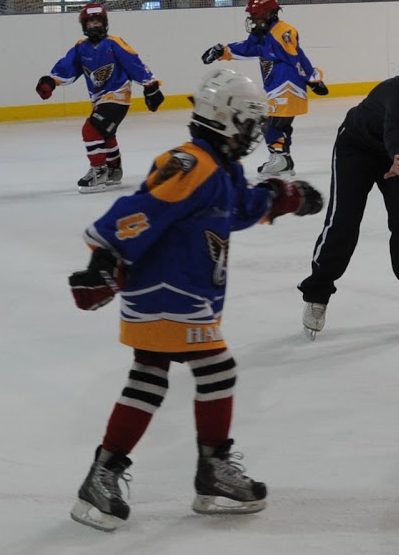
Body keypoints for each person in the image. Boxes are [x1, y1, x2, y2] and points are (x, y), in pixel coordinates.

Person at [66, 66, 324, 532]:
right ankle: (208, 472)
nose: (253, 132)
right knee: (212, 371)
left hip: (184, 291)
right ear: (226, 118)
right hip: (167, 290)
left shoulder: (219, 167)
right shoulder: (191, 163)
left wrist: (284, 196)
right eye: (248, 121)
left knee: (150, 379)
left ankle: (115, 474)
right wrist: (104, 257)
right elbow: (140, 209)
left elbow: (240, 208)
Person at [298, 46, 399, 339]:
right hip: (357, 148)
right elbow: (395, 124)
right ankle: (317, 295)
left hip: (396, 155)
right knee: (344, 221)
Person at [36, 2, 165, 193]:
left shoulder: (114, 43)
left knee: (91, 129)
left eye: (98, 22)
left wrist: (151, 86)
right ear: (84, 26)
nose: (95, 26)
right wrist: (51, 81)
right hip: (100, 100)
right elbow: (66, 67)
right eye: (90, 23)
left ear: (105, 23)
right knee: (106, 134)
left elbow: (134, 64)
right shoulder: (81, 48)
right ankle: (114, 168)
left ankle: (99, 169)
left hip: (118, 97)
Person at [201, 0, 328, 176]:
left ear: (269, 14)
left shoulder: (282, 32)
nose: (252, 20)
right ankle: (283, 160)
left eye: (256, 15)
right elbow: (248, 48)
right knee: (278, 126)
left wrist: (313, 80)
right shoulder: (263, 34)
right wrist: (222, 51)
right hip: (276, 88)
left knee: (269, 124)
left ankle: (280, 159)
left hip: (287, 88)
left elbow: (297, 57)